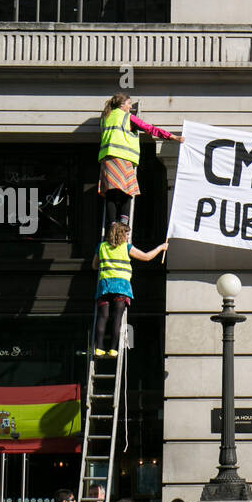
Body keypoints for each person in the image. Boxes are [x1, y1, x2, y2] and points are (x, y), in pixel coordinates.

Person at [98, 92, 182, 230]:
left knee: (111, 194)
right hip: (123, 159)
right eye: (129, 104)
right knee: (128, 192)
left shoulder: (105, 118)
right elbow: (150, 129)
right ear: (122, 104)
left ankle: (112, 224)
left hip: (107, 160)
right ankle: (123, 226)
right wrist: (173, 137)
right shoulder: (127, 117)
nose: (130, 107)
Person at [91, 221, 168, 358]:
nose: (128, 237)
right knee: (117, 318)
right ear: (121, 234)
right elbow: (146, 257)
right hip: (121, 288)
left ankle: (99, 348)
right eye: (126, 234)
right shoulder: (126, 248)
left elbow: (94, 266)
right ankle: (113, 349)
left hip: (104, 287)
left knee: (103, 317)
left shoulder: (101, 246)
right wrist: (161, 248)